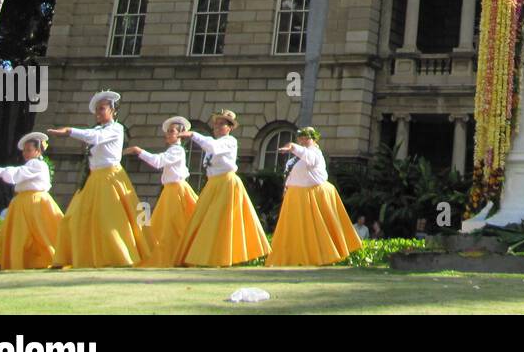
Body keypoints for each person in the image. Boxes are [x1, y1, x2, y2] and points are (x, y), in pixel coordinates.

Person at [49, 90, 151, 267]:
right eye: (97, 109)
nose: (98, 113)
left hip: (110, 178)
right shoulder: (97, 129)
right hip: (93, 179)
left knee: (110, 220)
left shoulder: (116, 129)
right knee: (73, 218)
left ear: (113, 110)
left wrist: (69, 131)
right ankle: (73, 257)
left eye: (102, 108)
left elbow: (97, 138)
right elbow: (93, 135)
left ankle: (118, 258)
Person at [174, 110, 270, 267]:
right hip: (213, 184)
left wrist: (193, 135)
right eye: (216, 124)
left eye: (222, 124)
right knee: (203, 219)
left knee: (220, 220)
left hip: (226, 183)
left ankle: (219, 257)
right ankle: (200, 256)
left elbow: (213, 147)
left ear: (230, 128)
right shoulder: (214, 141)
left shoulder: (229, 141)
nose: (217, 127)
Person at [267, 126, 363, 267]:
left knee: (315, 231)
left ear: (314, 138)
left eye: (307, 137)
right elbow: (291, 175)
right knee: (295, 230)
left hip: (312, 195)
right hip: (296, 196)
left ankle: (319, 257)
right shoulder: (295, 159)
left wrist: (293, 147)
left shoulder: (314, 153)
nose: (303, 139)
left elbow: (310, 159)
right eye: (301, 137)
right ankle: (293, 257)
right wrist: (286, 188)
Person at [0, 132, 62, 270]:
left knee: (29, 234)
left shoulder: (36, 164)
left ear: (38, 151)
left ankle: (48, 259)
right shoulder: (33, 165)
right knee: (35, 233)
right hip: (26, 202)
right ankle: (44, 259)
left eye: (29, 150)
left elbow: (17, 173)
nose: (25, 153)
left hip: (33, 202)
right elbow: (18, 172)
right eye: (24, 150)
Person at [126, 115, 198, 268]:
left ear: (180, 134)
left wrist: (139, 151)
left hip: (177, 191)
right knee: (165, 226)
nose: (168, 134)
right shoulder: (173, 150)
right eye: (168, 131)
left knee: (173, 227)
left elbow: (158, 161)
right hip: (170, 191)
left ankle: (175, 257)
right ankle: (173, 256)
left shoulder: (177, 151)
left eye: (172, 131)